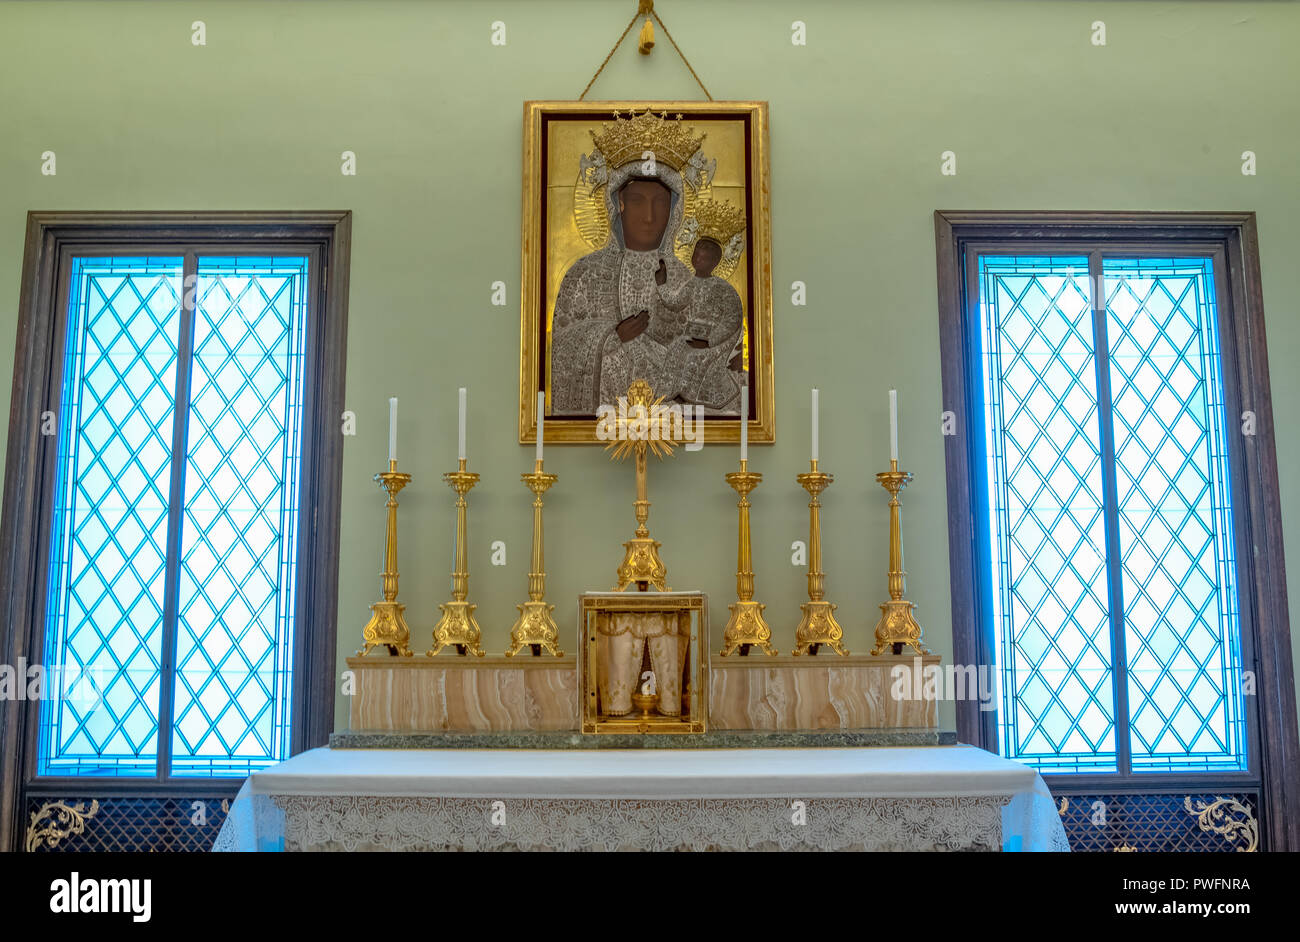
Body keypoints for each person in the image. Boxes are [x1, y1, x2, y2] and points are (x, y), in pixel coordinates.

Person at [550, 164, 694, 414]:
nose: (649, 216)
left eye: (660, 203)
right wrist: (610, 337)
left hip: (667, 415)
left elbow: (701, 352)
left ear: (673, 210)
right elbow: (558, 349)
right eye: (637, 201)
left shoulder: (683, 279)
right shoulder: (586, 273)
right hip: (603, 418)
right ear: (619, 204)